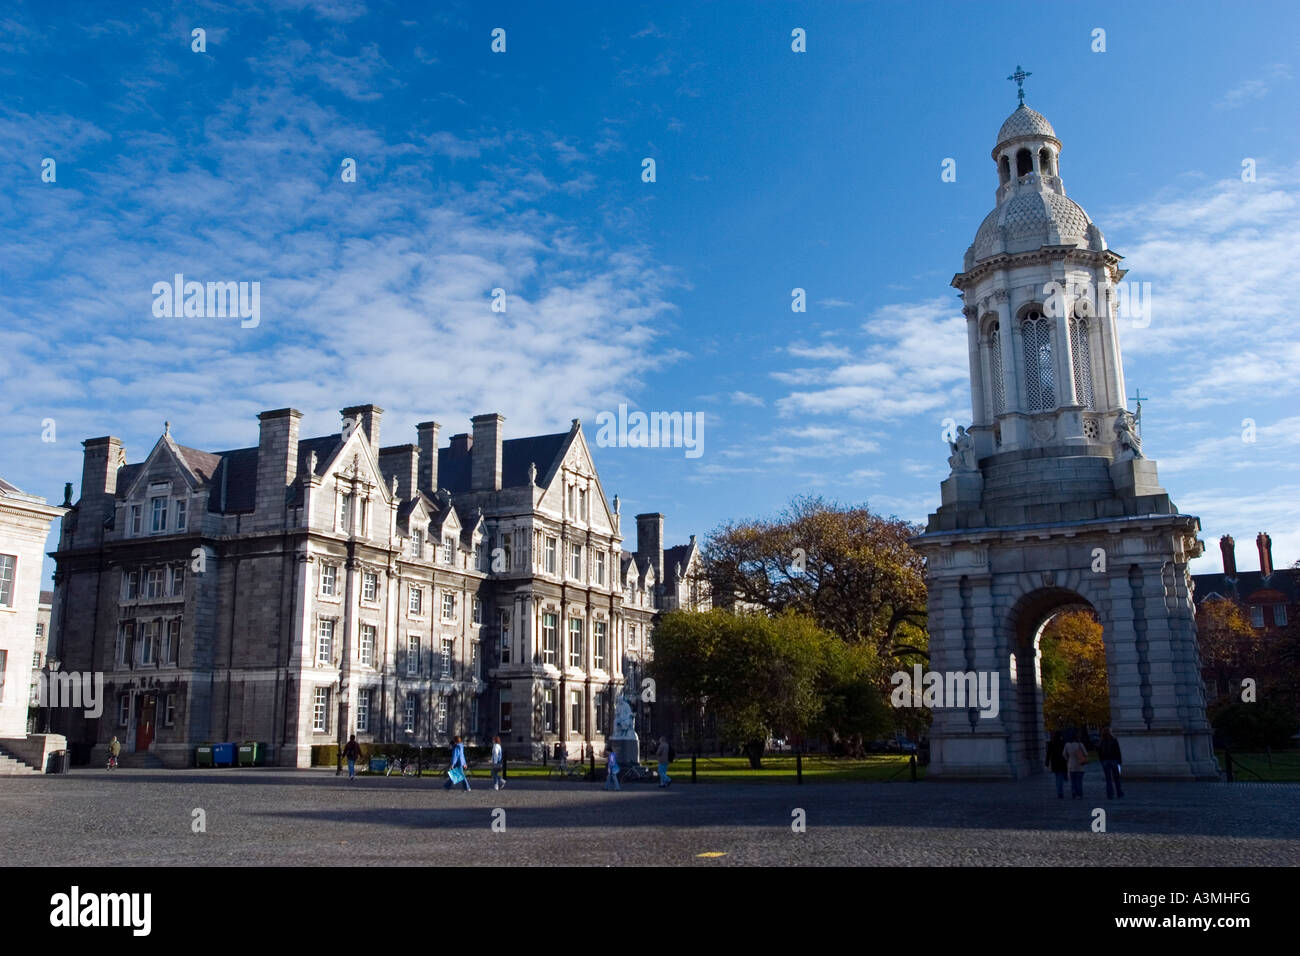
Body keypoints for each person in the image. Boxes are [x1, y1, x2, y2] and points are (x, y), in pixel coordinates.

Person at [1098, 726, 1124, 799]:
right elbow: (1118, 751)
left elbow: (1099, 753)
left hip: (1105, 761)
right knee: (1116, 778)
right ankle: (1119, 792)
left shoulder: (1101, 742)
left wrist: (1101, 761)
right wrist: (1119, 760)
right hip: (1114, 760)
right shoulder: (1114, 740)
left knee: (1108, 779)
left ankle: (1110, 794)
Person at [1062, 728, 1088, 798]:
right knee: (1079, 781)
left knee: (1073, 781)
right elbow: (1086, 754)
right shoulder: (1080, 745)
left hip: (1071, 765)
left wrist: (1068, 759)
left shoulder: (1067, 745)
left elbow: (1064, 754)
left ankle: (1073, 792)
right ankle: (1080, 794)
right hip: (1080, 765)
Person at [1045, 730, 1067, 798]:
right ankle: (1060, 792)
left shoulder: (1051, 743)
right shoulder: (1062, 743)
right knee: (1060, 777)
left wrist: (1047, 761)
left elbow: (1048, 754)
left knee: (1058, 777)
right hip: (1062, 762)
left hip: (1055, 763)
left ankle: (1059, 792)